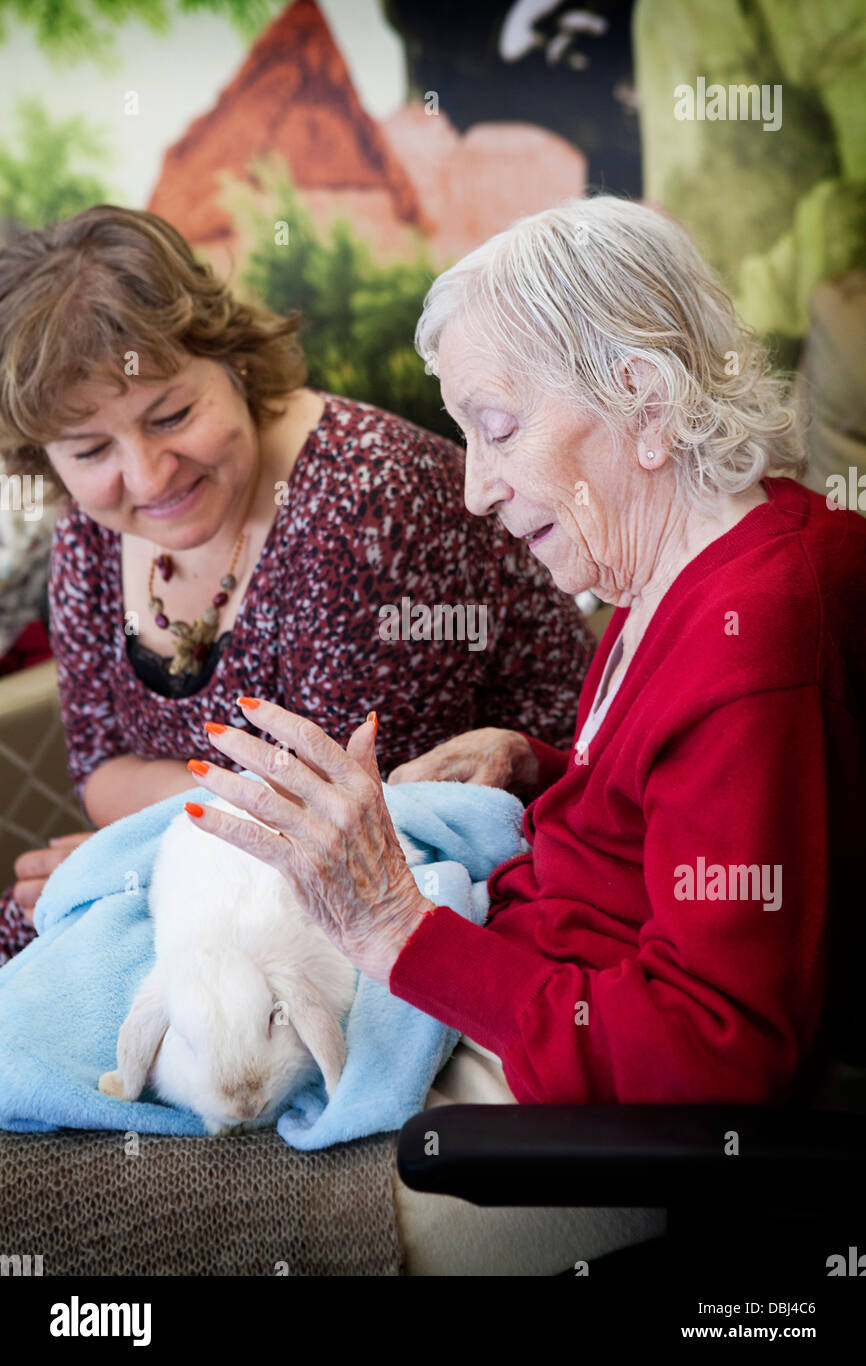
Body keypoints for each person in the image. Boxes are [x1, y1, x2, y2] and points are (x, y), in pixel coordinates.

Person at [170, 194, 865, 1272]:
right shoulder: (691, 569)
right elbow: (676, 810)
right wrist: (536, 764)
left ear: (641, 397)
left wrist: (398, 928)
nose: (474, 489)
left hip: (574, 1105)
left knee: (153, 1203)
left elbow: (714, 1060)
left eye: (495, 429)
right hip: (528, 979)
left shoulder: (751, 643)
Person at [0, 204, 594, 963]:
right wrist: (167, 840)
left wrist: (138, 850)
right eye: (88, 449)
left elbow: (352, 822)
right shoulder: (89, 521)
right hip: (221, 872)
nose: (147, 475)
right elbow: (99, 771)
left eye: (172, 414)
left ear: (235, 362)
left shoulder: (371, 504)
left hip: (456, 885)